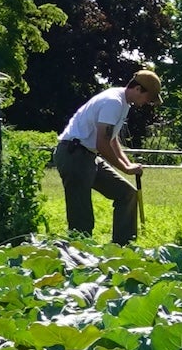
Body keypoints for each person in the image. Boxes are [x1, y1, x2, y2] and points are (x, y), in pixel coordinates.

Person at [56, 68, 160, 244]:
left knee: (127, 194)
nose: (146, 103)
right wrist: (125, 168)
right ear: (137, 89)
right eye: (148, 98)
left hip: (88, 155)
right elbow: (102, 144)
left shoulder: (124, 103)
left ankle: (122, 247)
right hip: (74, 155)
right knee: (81, 219)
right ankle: (76, 254)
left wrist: (128, 164)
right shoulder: (113, 102)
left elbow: (111, 139)